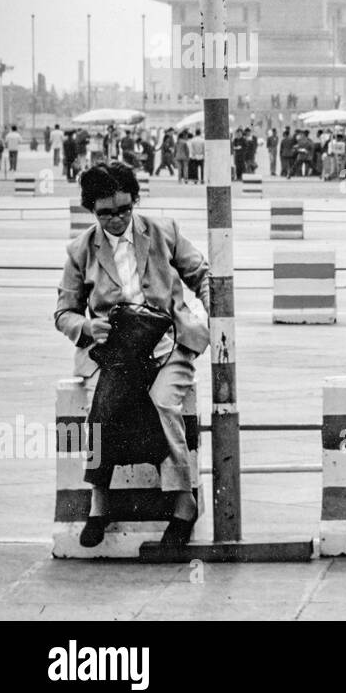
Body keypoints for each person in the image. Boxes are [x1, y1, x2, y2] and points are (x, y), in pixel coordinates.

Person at [54, 162, 211, 548]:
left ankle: (184, 503)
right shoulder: (79, 251)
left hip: (167, 343)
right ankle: (99, 504)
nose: (117, 219)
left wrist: (209, 314)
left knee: (164, 403)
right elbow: (63, 313)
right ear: (91, 210)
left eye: (124, 209)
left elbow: (204, 275)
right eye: (106, 212)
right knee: (100, 410)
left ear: (134, 202)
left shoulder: (164, 232)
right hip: (112, 353)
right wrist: (87, 328)